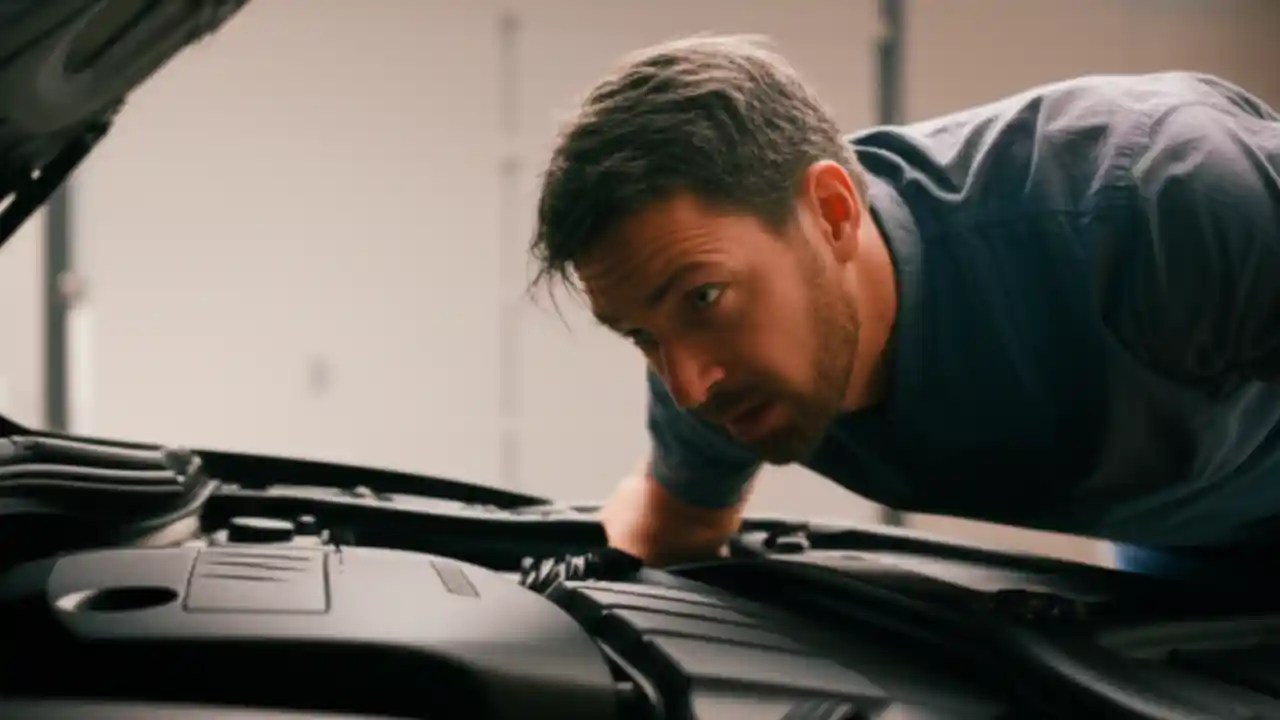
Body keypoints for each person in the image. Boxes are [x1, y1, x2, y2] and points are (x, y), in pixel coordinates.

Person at [525, 34, 1280, 584]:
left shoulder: (1155, 199)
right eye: (641, 335)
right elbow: (673, 528)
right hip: (1182, 549)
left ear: (831, 212)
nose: (688, 385)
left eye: (703, 299)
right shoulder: (710, 363)